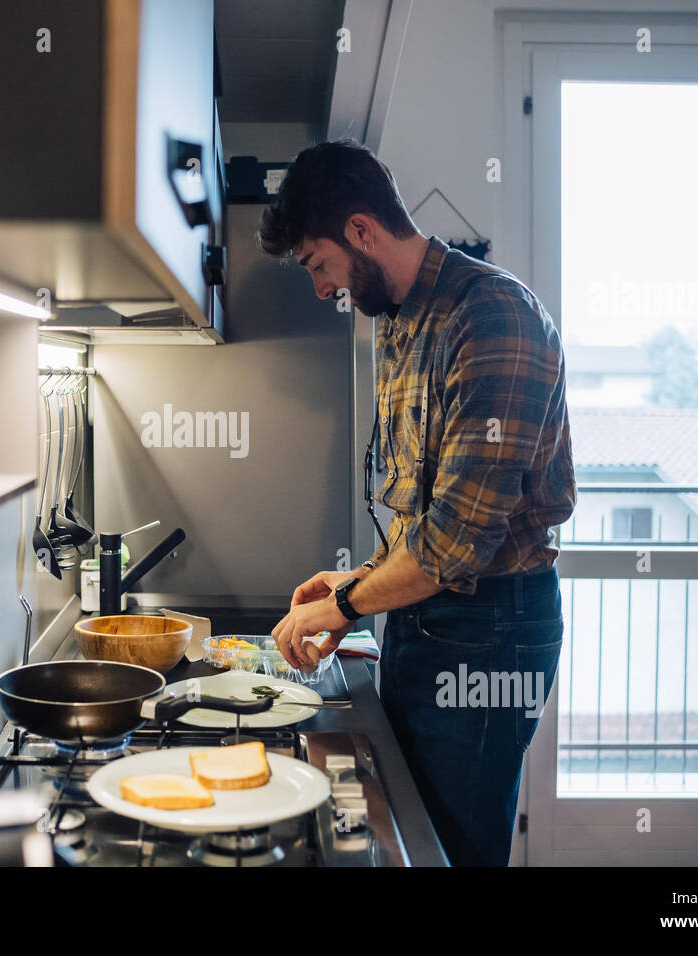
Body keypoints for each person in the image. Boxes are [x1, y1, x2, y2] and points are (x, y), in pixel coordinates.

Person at [260, 139, 577, 866]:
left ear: (363, 232)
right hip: (425, 620)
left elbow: (459, 542)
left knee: (452, 847)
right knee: (411, 836)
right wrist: (354, 584)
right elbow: (421, 510)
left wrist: (343, 606)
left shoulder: (493, 318)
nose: (319, 288)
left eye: (318, 264)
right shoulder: (400, 319)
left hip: (489, 629)